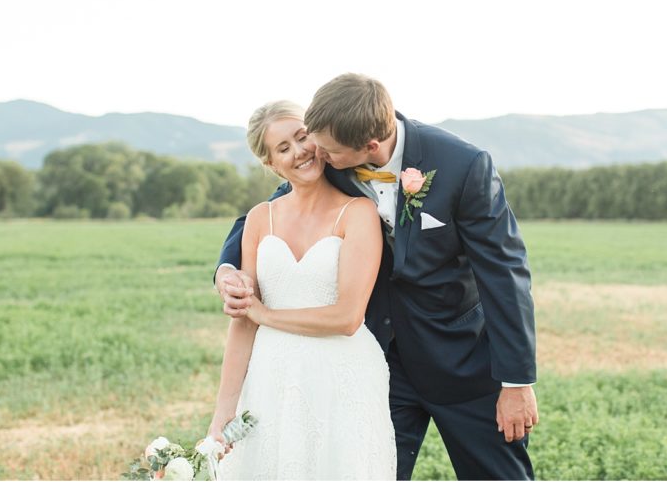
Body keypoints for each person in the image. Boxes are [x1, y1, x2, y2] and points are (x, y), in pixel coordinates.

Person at [216, 73, 539, 480]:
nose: (314, 154)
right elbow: (264, 215)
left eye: (325, 150)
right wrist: (227, 269)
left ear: (368, 147)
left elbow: (505, 273)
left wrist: (516, 381)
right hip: (379, 366)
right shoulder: (332, 152)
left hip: (460, 361)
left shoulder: (463, 166)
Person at [208, 100, 397, 480]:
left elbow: (347, 317)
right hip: (270, 378)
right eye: (283, 148)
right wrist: (222, 412)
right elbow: (243, 322)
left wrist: (266, 315)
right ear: (271, 165)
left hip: (343, 378)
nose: (299, 152)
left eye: (301, 137)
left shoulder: (359, 212)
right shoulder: (261, 219)